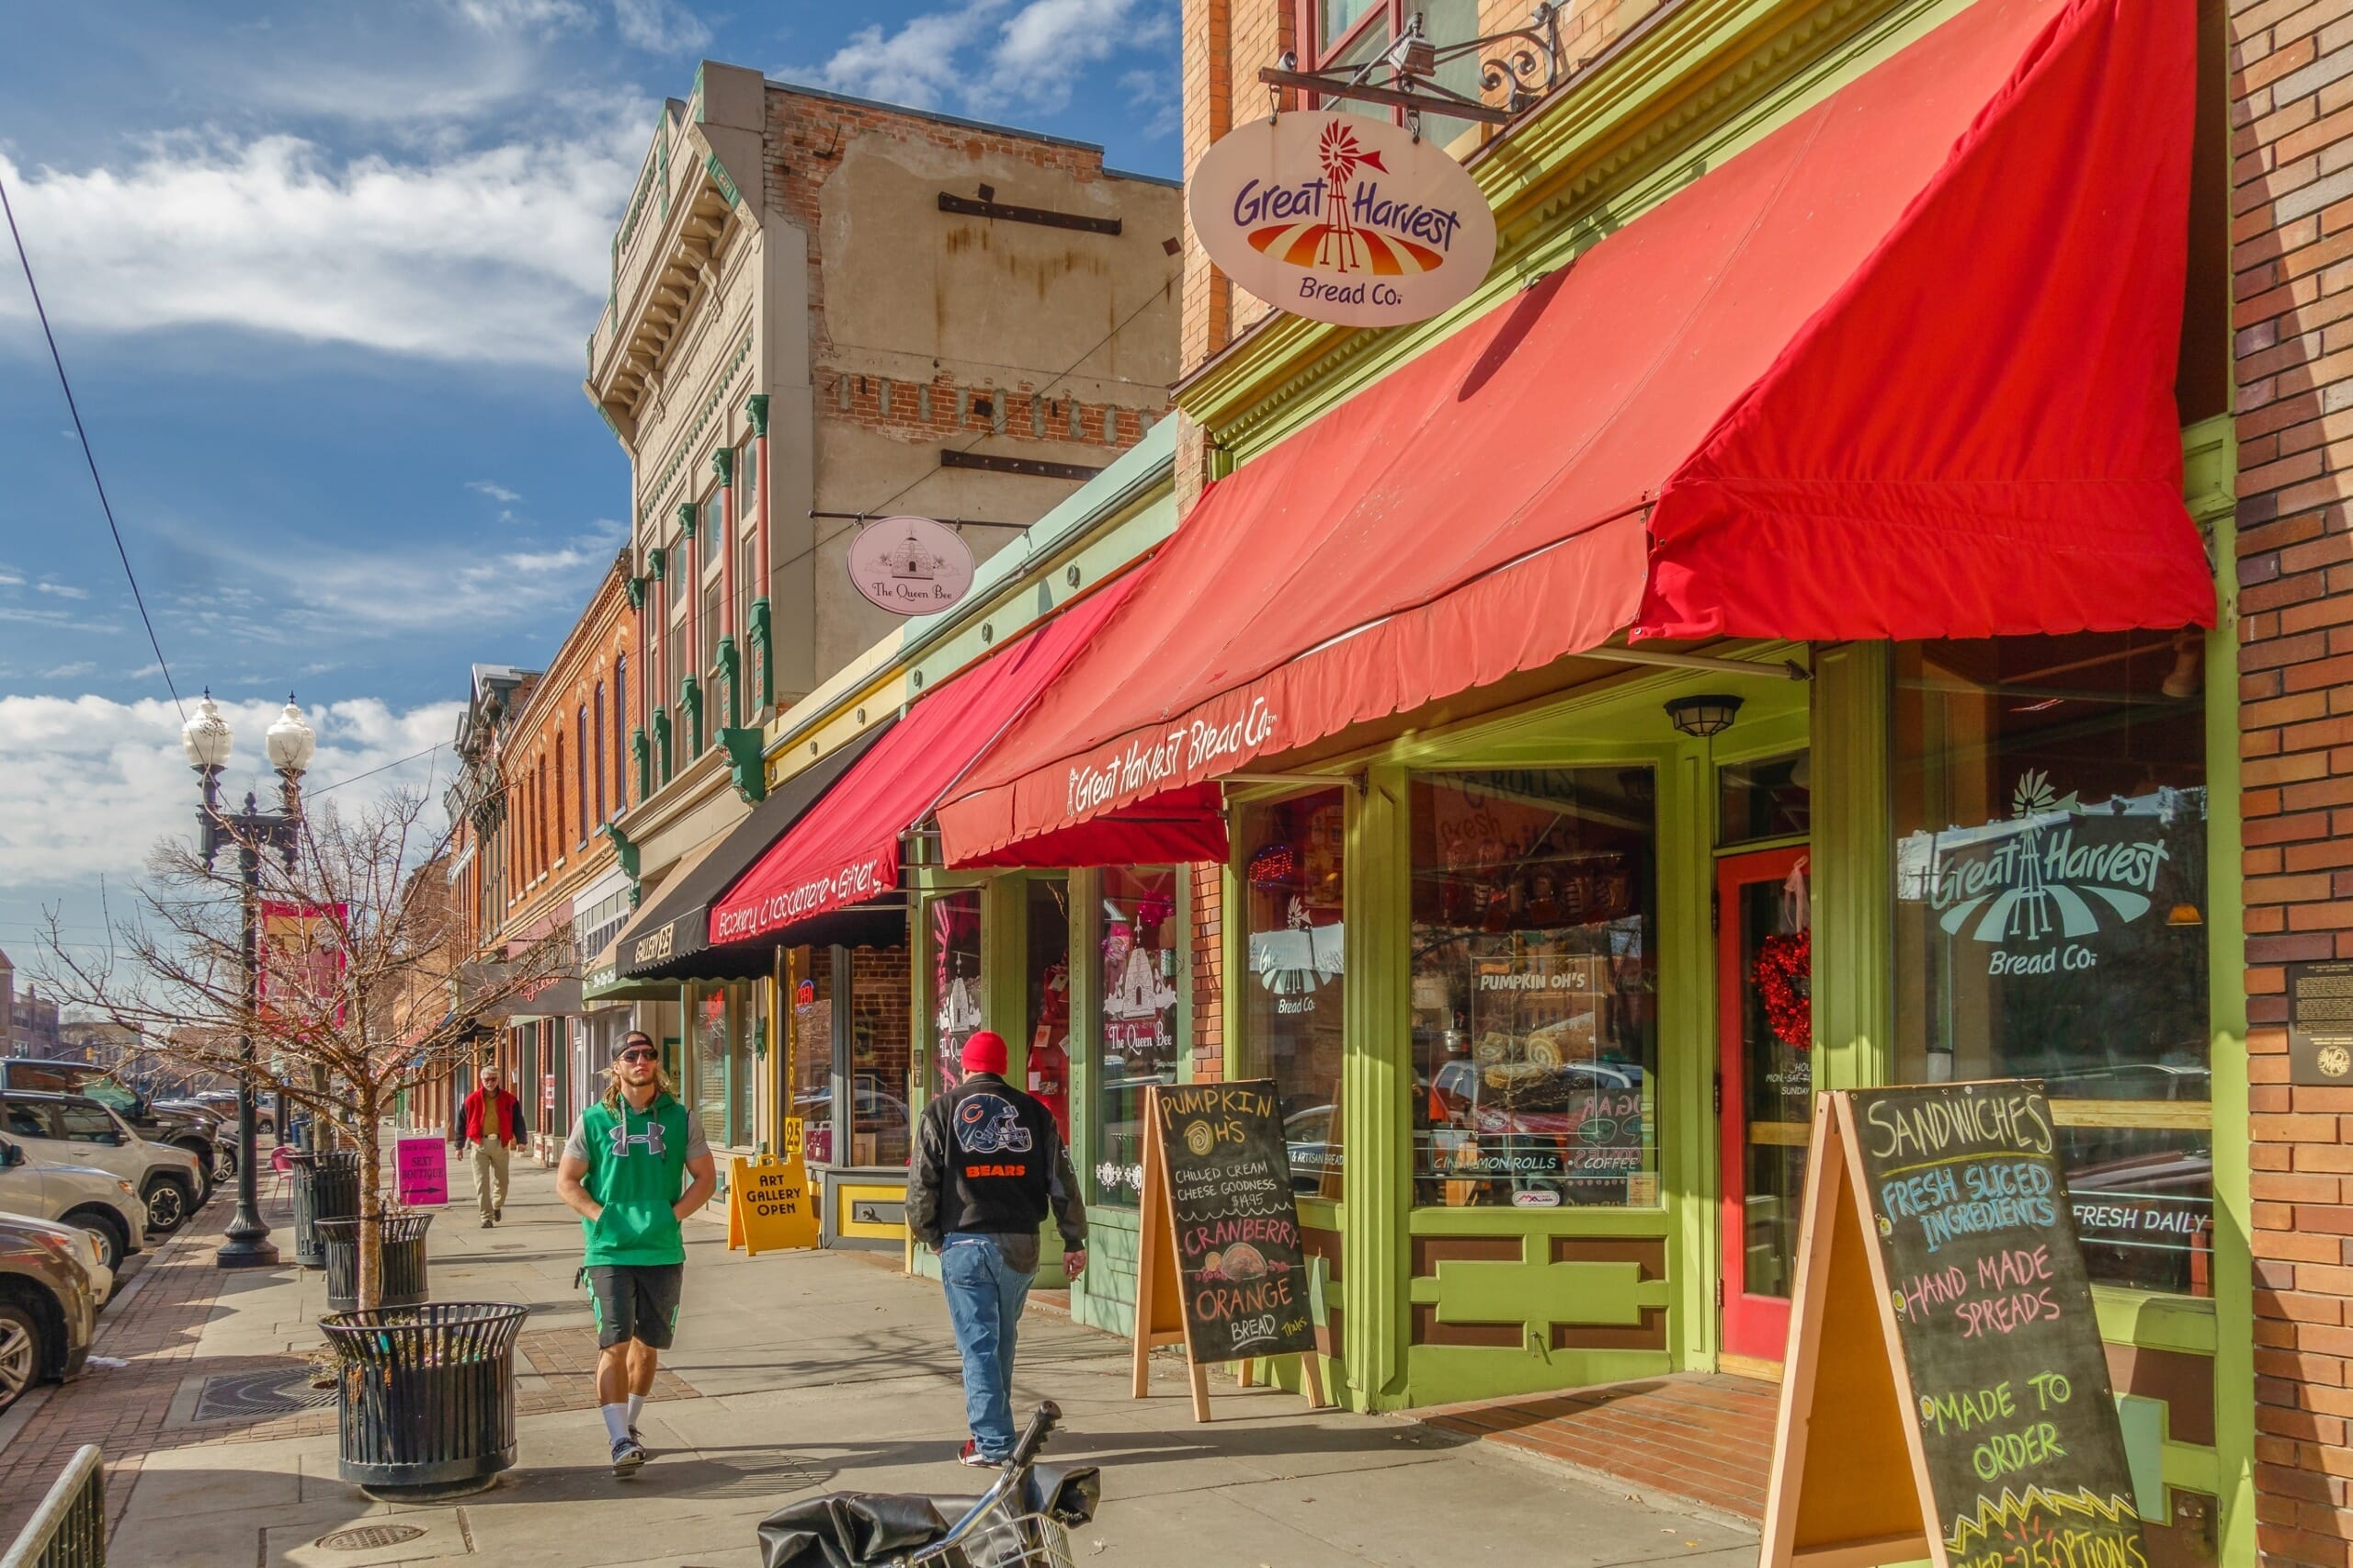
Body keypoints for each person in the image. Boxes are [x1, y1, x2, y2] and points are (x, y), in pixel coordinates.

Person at [905, 1029, 1086, 1468]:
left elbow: (920, 1186)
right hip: (1021, 1243)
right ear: (1002, 1068)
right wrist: (1073, 1238)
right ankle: (996, 1432)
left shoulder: (940, 1111)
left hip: (965, 1241)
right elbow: (1061, 1181)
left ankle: (992, 1443)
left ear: (966, 1068)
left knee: (979, 1345)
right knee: (1001, 1341)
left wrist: (928, 1234)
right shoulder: (1036, 1114)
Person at [555, 1031, 716, 1477]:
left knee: (648, 1345)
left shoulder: (682, 1119)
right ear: (617, 1067)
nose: (641, 1061)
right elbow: (567, 1181)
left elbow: (705, 1177)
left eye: (648, 1054)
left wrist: (673, 1216)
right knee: (615, 1341)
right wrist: (599, 1216)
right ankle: (618, 1439)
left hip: (662, 1250)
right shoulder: (593, 1120)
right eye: (631, 1055)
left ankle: (630, 1426)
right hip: (608, 1250)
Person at [453, 1065, 528, 1228]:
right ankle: (486, 1217)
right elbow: (461, 1124)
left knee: (503, 1181)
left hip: (500, 1144)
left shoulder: (509, 1099)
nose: (490, 1082)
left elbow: (518, 1122)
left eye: (493, 1079)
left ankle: (496, 1205)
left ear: (498, 1080)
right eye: (487, 1079)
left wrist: (521, 1141)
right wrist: (458, 1146)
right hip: (479, 1144)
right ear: (481, 1080)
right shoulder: (471, 1100)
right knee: (481, 1182)